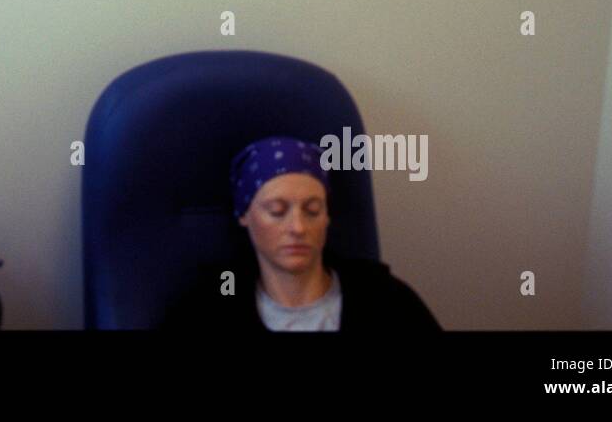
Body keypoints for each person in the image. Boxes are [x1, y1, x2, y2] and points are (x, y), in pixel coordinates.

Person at [159, 136, 441, 331]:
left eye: (312, 210)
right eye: (277, 211)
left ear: (327, 216)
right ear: (244, 215)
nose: (298, 228)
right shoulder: (216, 298)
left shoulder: (382, 297)